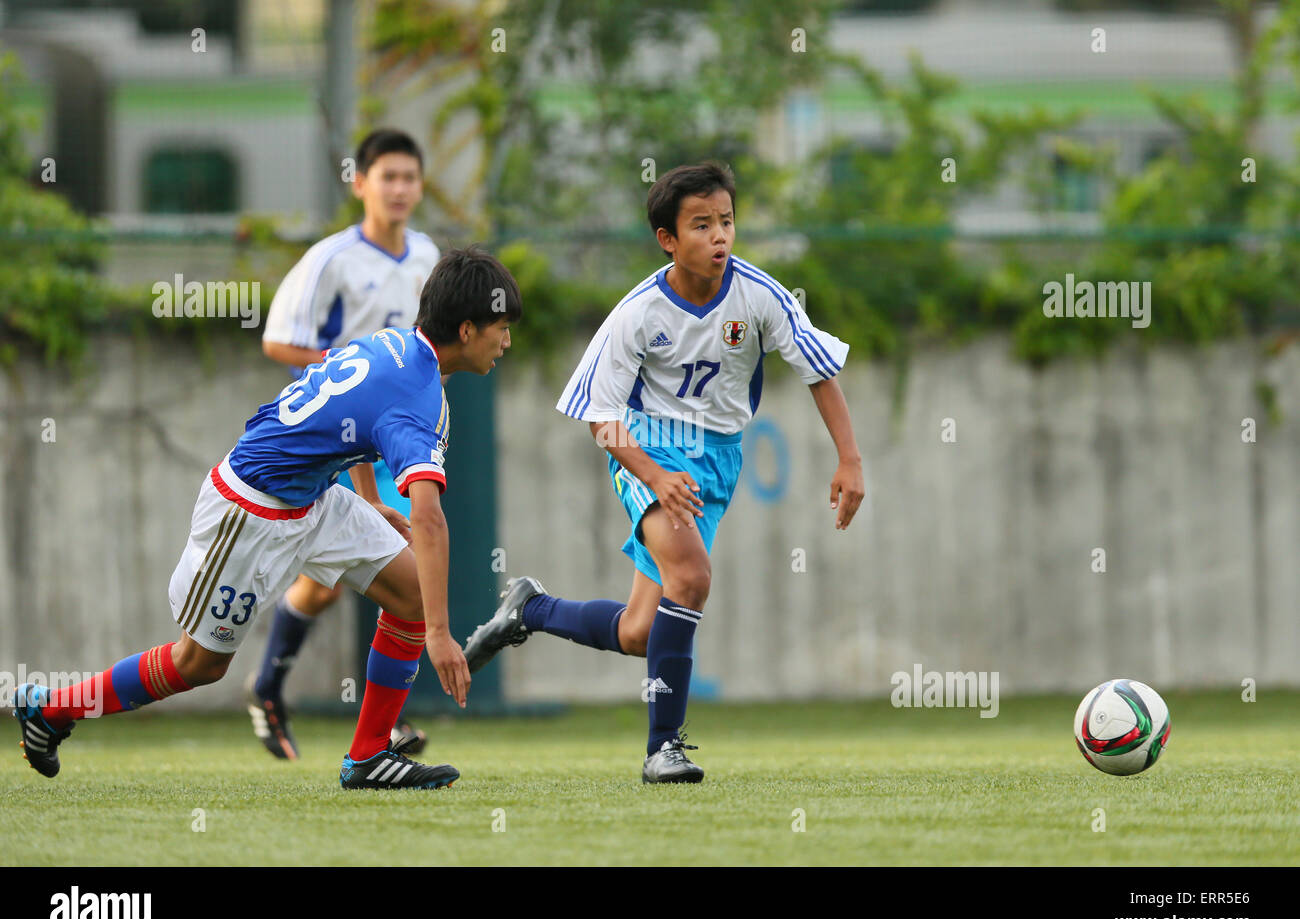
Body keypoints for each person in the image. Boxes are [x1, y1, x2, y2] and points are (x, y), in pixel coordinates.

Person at [14, 247, 519, 790]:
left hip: (317, 496)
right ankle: (52, 708)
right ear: (467, 330)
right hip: (252, 509)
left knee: (410, 593)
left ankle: (369, 757)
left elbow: (350, 427)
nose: (507, 341)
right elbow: (429, 519)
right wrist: (440, 637)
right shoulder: (420, 396)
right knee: (198, 665)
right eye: (501, 327)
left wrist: (368, 504)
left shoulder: (396, 343)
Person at [464, 162, 865, 783]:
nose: (719, 236)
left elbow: (818, 368)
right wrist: (654, 475)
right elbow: (600, 419)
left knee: (639, 630)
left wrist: (850, 459)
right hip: (646, 447)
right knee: (693, 577)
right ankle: (663, 748)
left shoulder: (761, 296)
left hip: (719, 458)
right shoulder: (636, 313)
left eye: (726, 221)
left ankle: (530, 611)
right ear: (667, 239)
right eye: (700, 225)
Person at [252, 128, 440, 760]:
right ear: (360, 183)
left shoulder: (427, 258)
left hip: (399, 438)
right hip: (338, 437)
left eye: (409, 177)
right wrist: (353, 368)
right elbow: (279, 341)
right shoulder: (332, 260)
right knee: (353, 575)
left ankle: (369, 720)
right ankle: (276, 690)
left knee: (393, 565)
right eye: (386, 176)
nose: (399, 189)